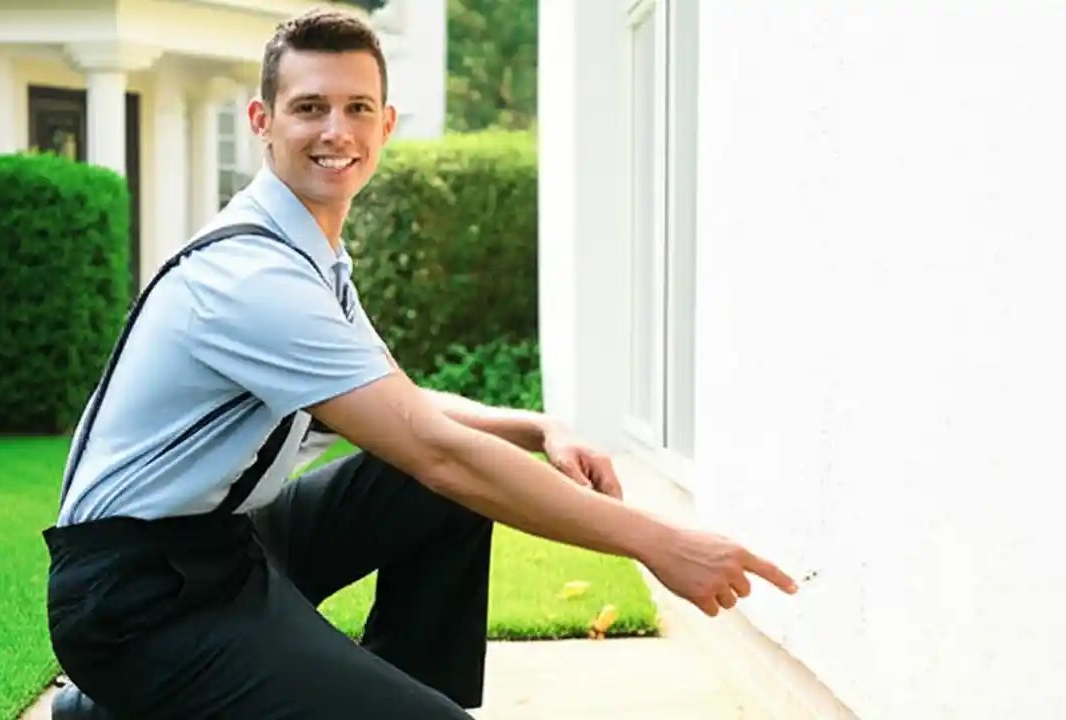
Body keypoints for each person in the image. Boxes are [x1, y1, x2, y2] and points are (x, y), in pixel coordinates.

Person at [43, 8, 798, 719]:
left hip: (225, 541)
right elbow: (434, 452)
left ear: (386, 124)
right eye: (309, 107)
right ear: (262, 122)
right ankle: (139, 694)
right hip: (136, 597)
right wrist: (658, 541)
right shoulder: (254, 278)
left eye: (358, 108)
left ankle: (383, 692)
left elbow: (399, 400)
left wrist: (533, 426)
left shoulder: (307, 251)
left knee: (459, 479)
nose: (335, 130)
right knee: (450, 476)